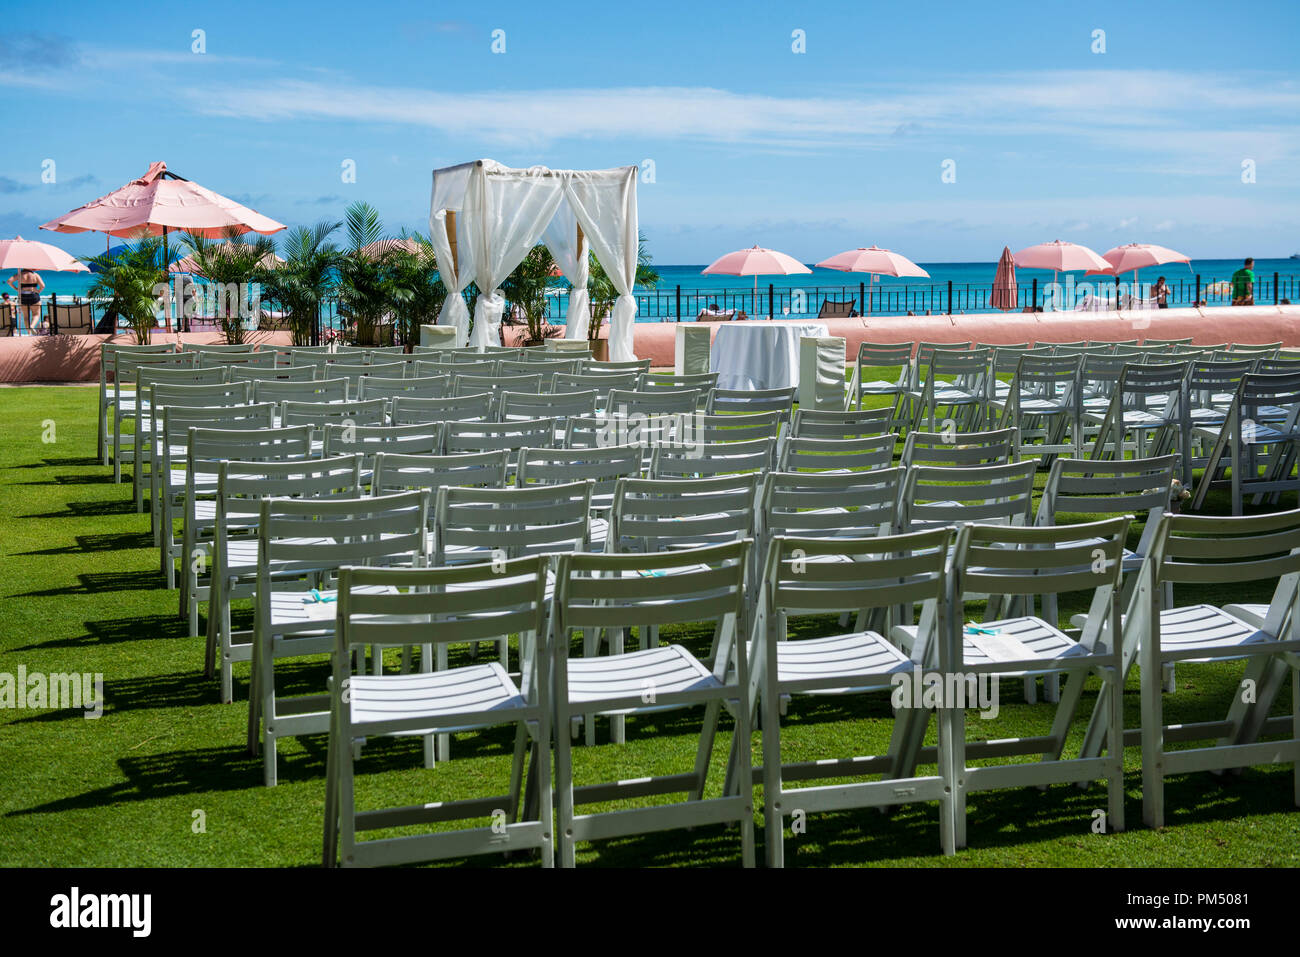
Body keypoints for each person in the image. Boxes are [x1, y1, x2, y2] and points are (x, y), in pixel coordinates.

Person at [7, 268, 44, 334]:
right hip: (33, 295)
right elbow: (43, 286)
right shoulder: (35, 275)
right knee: (36, 314)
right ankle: (32, 326)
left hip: (23, 296)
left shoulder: (19, 274)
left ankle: (29, 333)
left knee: (26, 316)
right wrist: (38, 291)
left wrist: (16, 289)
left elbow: (9, 281)